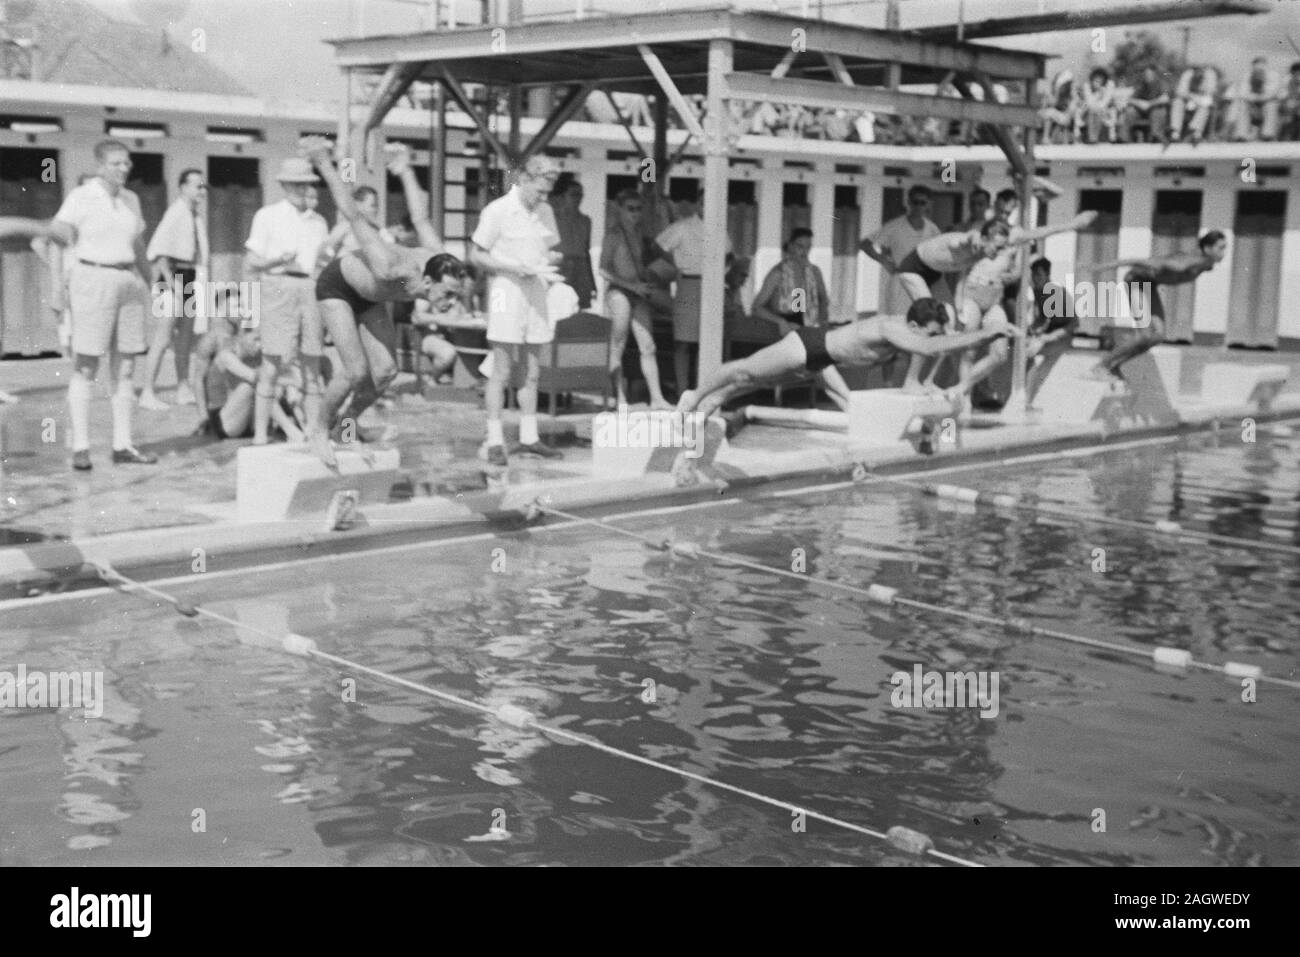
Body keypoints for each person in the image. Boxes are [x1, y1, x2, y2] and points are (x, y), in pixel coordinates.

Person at [301, 137, 463, 466]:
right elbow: (352, 214)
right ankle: (318, 429)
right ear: (428, 282)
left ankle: (344, 430)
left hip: (370, 299)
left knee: (387, 372)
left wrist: (405, 171)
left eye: (455, 296)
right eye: (446, 295)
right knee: (356, 371)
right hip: (339, 288)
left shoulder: (437, 256)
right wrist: (323, 164)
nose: (450, 303)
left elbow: (420, 217)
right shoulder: (389, 265)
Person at [675, 297, 1022, 425]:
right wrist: (986, 334)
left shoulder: (910, 336)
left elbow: (936, 349)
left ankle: (711, 408)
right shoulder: (892, 327)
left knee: (749, 385)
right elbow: (932, 349)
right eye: (928, 332)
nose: (930, 338)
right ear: (914, 326)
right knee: (743, 368)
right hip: (808, 346)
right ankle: (693, 394)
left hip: (821, 362)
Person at [30, 141, 157, 470]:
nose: (123, 168)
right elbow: (56, 240)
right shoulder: (81, 197)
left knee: (126, 367)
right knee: (86, 366)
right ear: (100, 166)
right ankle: (81, 448)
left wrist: (156, 283)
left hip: (128, 281)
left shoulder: (131, 200)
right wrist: (57, 288)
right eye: (116, 163)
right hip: (92, 279)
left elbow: (138, 245)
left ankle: (123, 445)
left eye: (127, 163)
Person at [468, 154, 566, 467]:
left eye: (548, 191)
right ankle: (495, 440)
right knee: (502, 369)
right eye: (539, 189)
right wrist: (512, 267)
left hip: (537, 288)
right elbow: (476, 255)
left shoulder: (545, 210)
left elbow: (550, 250)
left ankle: (529, 437)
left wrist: (554, 260)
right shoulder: (497, 210)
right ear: (523, 179)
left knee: (534, 371)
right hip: (505, 290)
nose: (543, 197)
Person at [244, 153, 329, 446]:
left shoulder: (319, 222)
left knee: (312, 366)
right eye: (293, 183)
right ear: (283, 185)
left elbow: (323, 262)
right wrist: (275, 261)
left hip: (309, 288)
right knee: (271, 363)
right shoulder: (267, 215)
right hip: (278, 285)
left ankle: (315, 432)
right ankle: (260, 435)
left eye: (304, 183)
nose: (299, 189)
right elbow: (252, 260)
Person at [1083, 230, 1228, 381]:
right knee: (1145, 334)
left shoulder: (1207, 264)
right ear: (1207, 249)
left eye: (1225, 247)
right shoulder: (1185, 263)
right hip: (1136, 281)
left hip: (1150, 285)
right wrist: (1102, 267)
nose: (1224, 253)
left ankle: (1114, 366)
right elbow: (1141, 261)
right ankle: (1100, 367)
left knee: (1158, 335)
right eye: (1220, 248)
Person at [138, 167, 208, 411]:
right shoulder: (175, 213)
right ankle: (147, 391)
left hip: (187, 274)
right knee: (163, 336)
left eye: (203, 186)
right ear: (183, 187)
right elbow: (157, 253)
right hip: (170, 277)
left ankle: (182, 388)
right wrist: (173, 286)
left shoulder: (193, 214)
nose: (202, 190)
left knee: (185, 338)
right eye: (197, 186)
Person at [655, 184, 731, 393]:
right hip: (689, 284)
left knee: (708, 342)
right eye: (704, 203)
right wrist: (676, 263)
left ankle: (703, 390)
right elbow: (657, 246)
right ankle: (682, 391)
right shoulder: (683, 226)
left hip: (713, 288)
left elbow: (729, 256)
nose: (708, 207)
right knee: (683, 341)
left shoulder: (720, 231)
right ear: (698, 205)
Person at [600, 188, 671, 410]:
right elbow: (603, 269)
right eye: (631, 209)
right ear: (620, 210)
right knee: (617, 345)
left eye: (639, 209)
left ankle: (657, 398)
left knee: (648, 346)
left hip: (639, 292)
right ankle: (619, 397)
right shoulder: (613, 235)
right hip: (620, 291)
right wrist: (631, 285)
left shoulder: (643, 235)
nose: (635, 213)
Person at [859, 184, 941, 319]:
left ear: (928, 204)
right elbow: (865, 244)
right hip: (900, 283)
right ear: (908, 203)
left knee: (922, 323)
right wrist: (884, 260)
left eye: (922, 203)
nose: (918, 206)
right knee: (898, 322)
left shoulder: (932, 229)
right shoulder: (894, 226)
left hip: (924, 282)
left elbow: (938, 252)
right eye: (915, 202)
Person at [752, 228, 830, 331]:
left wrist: (822, 324)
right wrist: (780, 321)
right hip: (780, 329)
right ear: (791, 246)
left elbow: (824, 300)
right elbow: (756, 308)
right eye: (800, 246)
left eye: (808, 247)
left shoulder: (815, 272)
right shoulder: (777, 273)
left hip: (807, 328)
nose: (804, 251)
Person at [1024, 257, 1077, 406]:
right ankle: (1028, 400)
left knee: (1031, 352)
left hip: (1062, 337)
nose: (1035, 279)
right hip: (1048, 335)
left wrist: (1046, 337)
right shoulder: (1037, 291)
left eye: (1039, 276)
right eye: (1034, 275)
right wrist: (1035, 330)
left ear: (1047, 276)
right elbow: (1043, 318)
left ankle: (1028, 402)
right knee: (1025, 351)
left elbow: (1073, 324)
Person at [549, 173, 596, 310]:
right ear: (564, 196)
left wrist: (592, 283)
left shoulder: (585, 220)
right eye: (574, 194)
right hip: (561, 265)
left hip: (580, 268)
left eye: (580, 195)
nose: (578, 198)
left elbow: (586, 251)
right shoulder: (553, 218)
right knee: (559, 305)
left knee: (581, 307)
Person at [1226, 56, 1281, 142]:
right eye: (1256, 69)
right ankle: (1241, 135)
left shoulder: (1274, 76)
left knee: (1271, 105)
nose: (1259, 71)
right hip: (1251, 104)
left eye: (1261, 69)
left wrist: (1258, 99)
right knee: (1242, 104)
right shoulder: (1246, 76)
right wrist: (1254, 101)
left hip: (1265, 104)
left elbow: (1272, 93)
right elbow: (1242, 93)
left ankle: (1267, 135)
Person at [1170, 65, 1220, 144]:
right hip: (1189, 102)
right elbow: (1180, 91)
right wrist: (1192, 97)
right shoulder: (1187, 74)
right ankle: (1175, 133)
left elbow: (1210, 93)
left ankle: (1195, 133)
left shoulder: (1210, 75)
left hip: (1202, 103)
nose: (1198, 72)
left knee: (1205, 107)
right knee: (1177, 102)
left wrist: (1198, 98)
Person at [1122, 64, 1171, 143]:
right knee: (1130, 111)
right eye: (1146, 74)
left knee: (1158, 112)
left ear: (1155, 74)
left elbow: (1165, 98)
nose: (1147, 76)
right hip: (1142, 111)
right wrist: (1139, 103)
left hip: (1156, 109)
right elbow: (1129, 99)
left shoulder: (1162, 83)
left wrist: (1150, 104)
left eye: (1149, 74)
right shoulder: (1141, 85)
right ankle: (1123, 138)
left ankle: (1156, 136)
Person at [1078, 67, 1118, 144]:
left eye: (1100, 78)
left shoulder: (1108, 86)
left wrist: (1100, 92)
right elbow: (1089, 102)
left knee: (1096, 111)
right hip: (1089, 112)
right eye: (1096, 78)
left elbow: (1105, 103)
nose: (1098, 80)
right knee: (1092, 111)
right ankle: (1093, 138)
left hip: (1104, 112)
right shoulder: (1087, 86)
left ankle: (1094, 138)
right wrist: (1097, 95)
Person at [1281, 61, 1300, 141]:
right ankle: (1286, 136)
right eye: (1296, 72)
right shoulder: (1287, 81)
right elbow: (1282, 95)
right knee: (1288, 115)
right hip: (1289, 105)